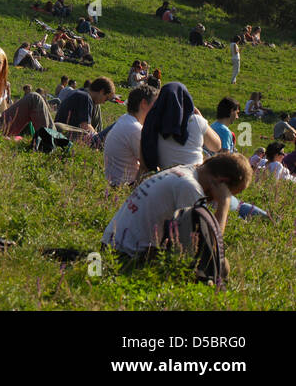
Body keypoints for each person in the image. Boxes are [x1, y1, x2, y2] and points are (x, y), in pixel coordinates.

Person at [101, 153, 252, 259]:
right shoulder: (190, 188)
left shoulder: (184, 171)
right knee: (220, 267)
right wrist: (224, 205)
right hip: (126, 254)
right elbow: (209, 248)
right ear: (222, 182)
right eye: (229, 192)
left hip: (111, 243)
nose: (216, 201)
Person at [0, 45, 53, 137]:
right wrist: (2, 117)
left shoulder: (2, 83)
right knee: (34, 98)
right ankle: (50, 139)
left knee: (35, 105)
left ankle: (51, 137)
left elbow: (3, 109)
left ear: (4, 64)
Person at [140, 82, 222, 172]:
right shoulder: (196, 121)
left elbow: (144, 163)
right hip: (195, 176)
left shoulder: (153, 124)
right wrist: (202, 119)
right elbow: (216, 146)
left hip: (166, 179)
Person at [104, 84, 158, 185]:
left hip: (115, 182)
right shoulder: (134, 129)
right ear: (144, 103)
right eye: (155, 105)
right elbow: (149, 165)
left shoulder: (125, 119)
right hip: (123, 185)